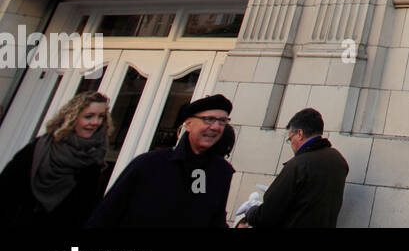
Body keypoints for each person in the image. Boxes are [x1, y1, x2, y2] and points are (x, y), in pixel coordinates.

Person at [88, 93, 235, 228]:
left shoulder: (221, 172)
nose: (216, 127)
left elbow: (215, 220)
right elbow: (106, 214)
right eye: (209, 119)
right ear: (188, 124)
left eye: (222, 121)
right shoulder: (148, 164)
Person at [0, 91, 111, 228]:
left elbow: (84, 210)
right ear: (73, 117)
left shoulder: (94, 158)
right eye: (89, 116)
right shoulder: (41, 147)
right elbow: (6, 187)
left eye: (101, 117)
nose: (95, 122)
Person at [238, 108, 348, 228]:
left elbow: (267, 215)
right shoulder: (338, 159)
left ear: (300, 134)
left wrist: (251, 210)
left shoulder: (298, 165)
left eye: (290, 139)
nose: (291, 144)